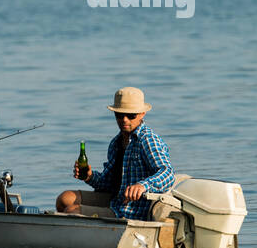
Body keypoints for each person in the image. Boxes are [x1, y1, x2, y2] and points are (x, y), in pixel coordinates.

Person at [56, 87, 174, 220]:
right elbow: (108, 184)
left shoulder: (147, 139)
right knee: (64, 199)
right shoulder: (115, 143)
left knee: (71, 211)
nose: (124, 120)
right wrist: (89, 177)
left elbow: (167, 173)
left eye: (131, 115)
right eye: (119, 114)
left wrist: (143, 185)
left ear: (142, 114)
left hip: (131, 211)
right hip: (115, 200)